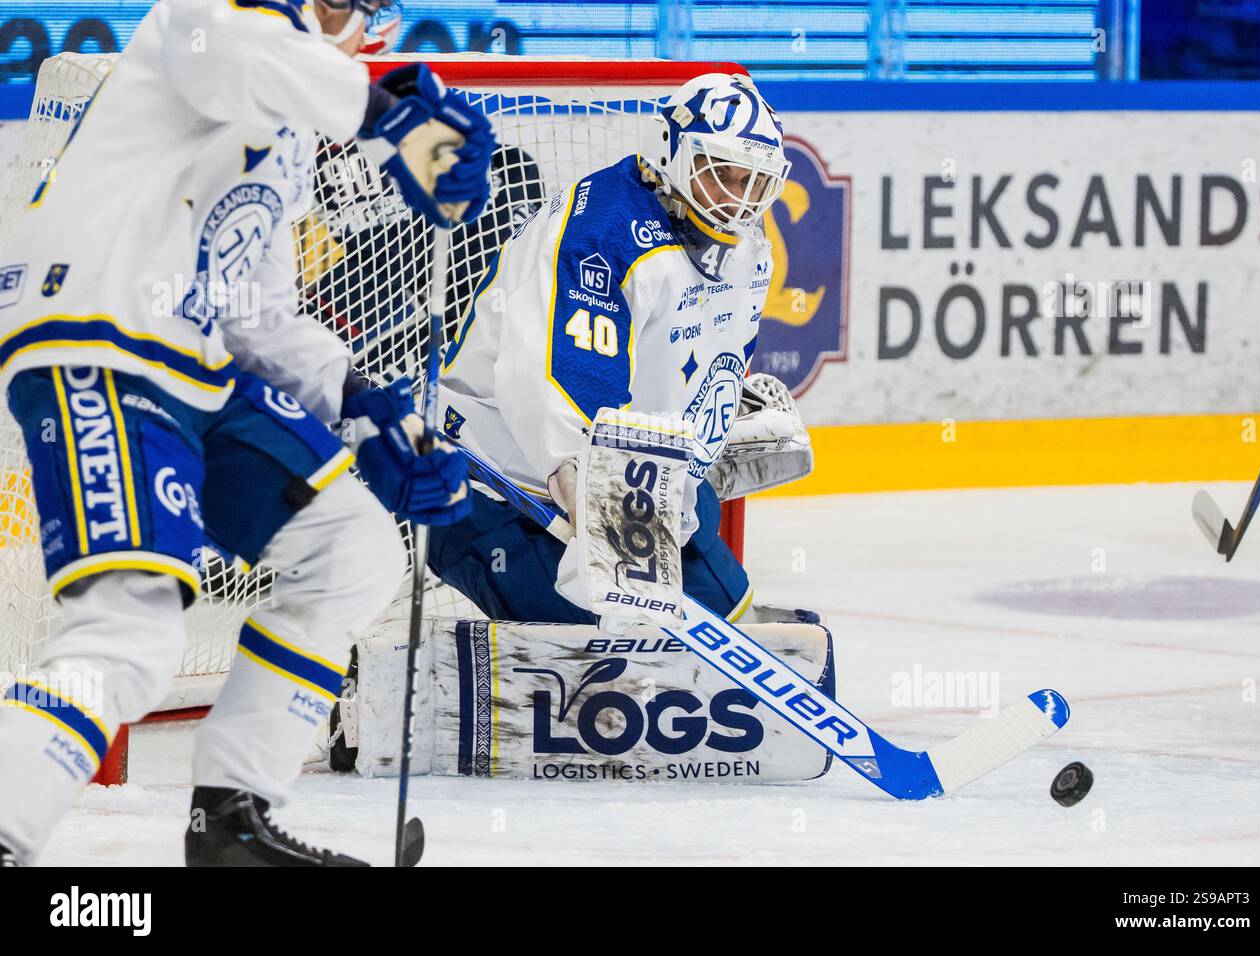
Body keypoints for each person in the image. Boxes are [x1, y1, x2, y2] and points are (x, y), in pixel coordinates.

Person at [0, 0, 494, 867]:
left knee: (354, 551)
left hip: (194, 359)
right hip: (101, 340)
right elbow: (231, 50)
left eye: (362, 13)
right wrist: (385, 116)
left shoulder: (294, 130)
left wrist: (368, 409)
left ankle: (233, 823)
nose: (345, 26)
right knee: (131, 628)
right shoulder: (199, 24)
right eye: (335, 4)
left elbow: (257, 311)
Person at [429, 72, 796, 627]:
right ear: (669, 152)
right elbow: (558, 386)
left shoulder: (747, 249)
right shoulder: (600, 235)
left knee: (734, 622)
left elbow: (697, 361)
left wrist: (717, 420)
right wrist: (596, 502)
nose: (739, 201)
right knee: (604, 672)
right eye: (722, 174)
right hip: (503, 494)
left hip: (642, 492)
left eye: (754, 182)